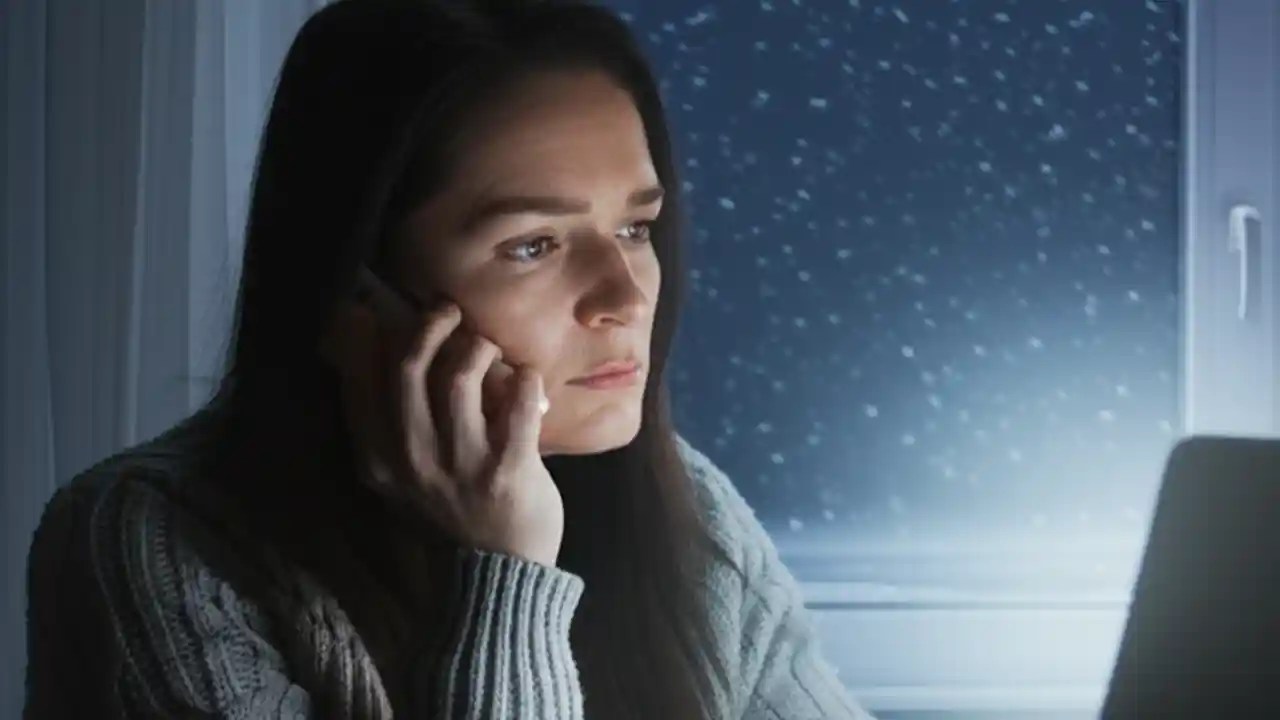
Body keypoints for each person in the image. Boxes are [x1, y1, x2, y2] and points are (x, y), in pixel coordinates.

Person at [23, 1, 875, 718]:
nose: (624, 295)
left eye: (635, 228)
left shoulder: (694, 511)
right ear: (357, 296)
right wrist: (509, 577)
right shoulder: (149, 540)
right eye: (535, 245)